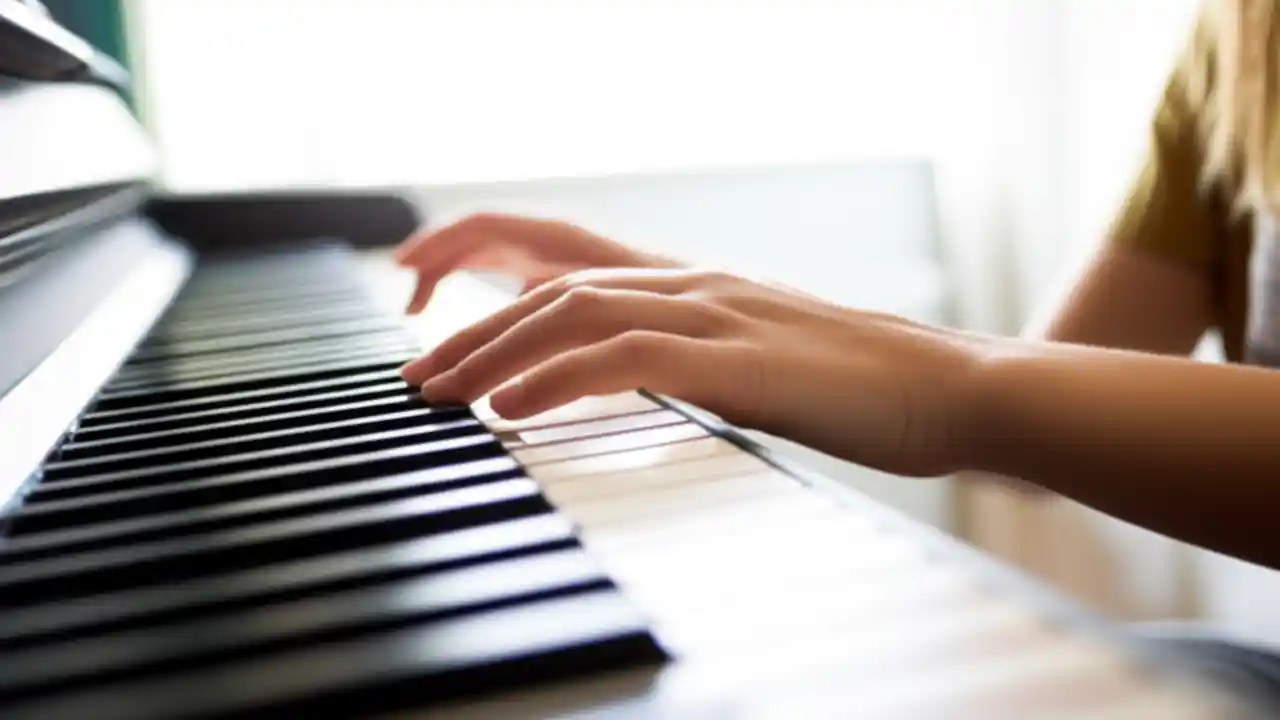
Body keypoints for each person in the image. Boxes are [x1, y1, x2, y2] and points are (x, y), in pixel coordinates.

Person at [394, 0, 1280, 700]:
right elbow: (1054, 413)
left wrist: (945, 386)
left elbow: (977, 392)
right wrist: (723, 311)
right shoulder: (1241, 31)